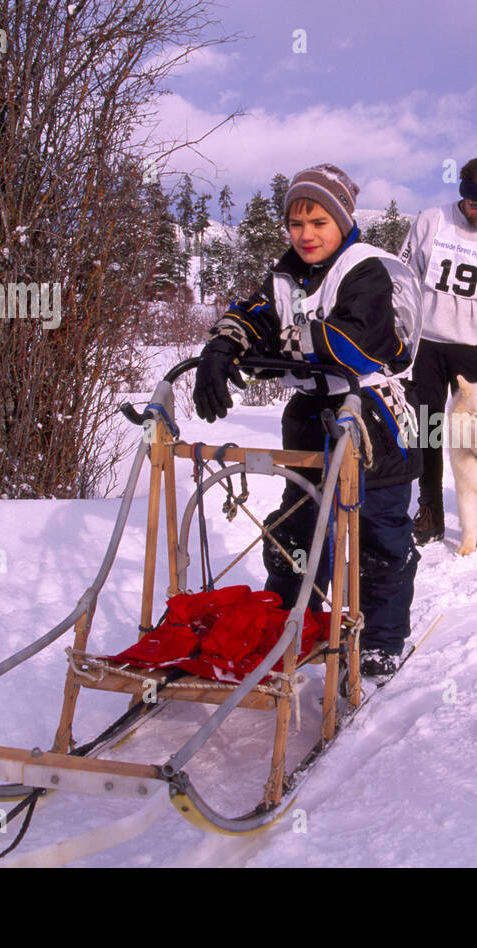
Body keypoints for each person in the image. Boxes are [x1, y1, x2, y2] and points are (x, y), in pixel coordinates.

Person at [192, 163, 422, 678]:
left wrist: (291, 342)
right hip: (308, 419)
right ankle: (291, 626)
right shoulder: (287, 274)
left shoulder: (366, 269)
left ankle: (382, 642)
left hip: (372, 419)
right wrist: (225, 344)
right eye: (296, 223)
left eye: (318, 222)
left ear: (342, 220)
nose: (306, 235)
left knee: (380, 536)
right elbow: (258, 313)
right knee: (297, 526)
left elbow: (358, 340)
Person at [398, 155, 477, 548]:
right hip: (428, 346)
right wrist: (398, 333)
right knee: (430, 429)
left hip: (471, 350)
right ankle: (431, 507)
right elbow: (402, 277)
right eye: (476, 204)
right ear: (463, 194)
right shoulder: (432, 222)